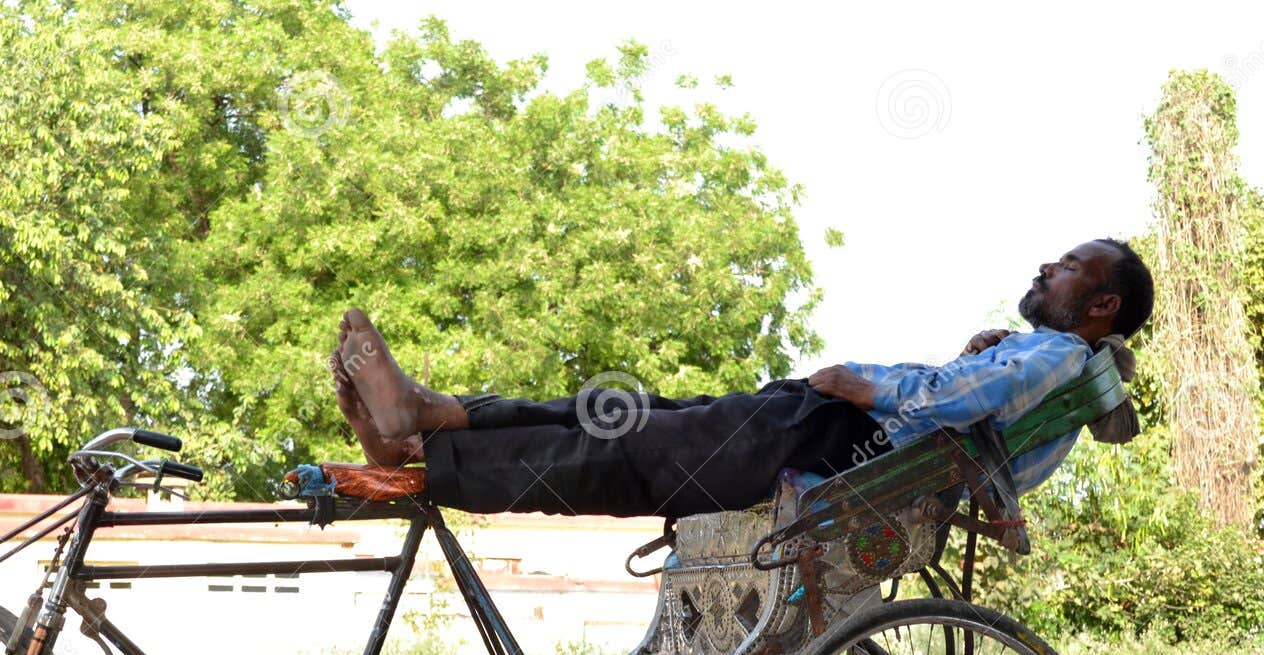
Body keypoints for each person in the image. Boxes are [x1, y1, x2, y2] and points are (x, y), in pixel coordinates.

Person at [330, 238, 1154, 518]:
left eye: (1070, 267)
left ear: (1102, 304)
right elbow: (985, 418)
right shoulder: (1052, 363)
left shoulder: (1057, 356)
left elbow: (960, 405)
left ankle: (423, 448)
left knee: (622, 448)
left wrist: (866, 383)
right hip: (819, 425)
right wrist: (969, 357)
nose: (1049, 267)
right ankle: (425, 417)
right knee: (628, 417)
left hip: (834, 438)